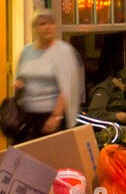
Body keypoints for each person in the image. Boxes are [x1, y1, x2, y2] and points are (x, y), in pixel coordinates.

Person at [13, 9, 84, 144]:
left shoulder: (63, 51)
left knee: (49, 158)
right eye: (42, 24)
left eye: (51, 23)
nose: (47, 27)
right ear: (34, 28)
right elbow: (21, 75)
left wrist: (56, 116)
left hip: (50, 114)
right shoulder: (27, 51)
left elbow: (66, 87)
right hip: (26, 115)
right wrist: (19, 82)